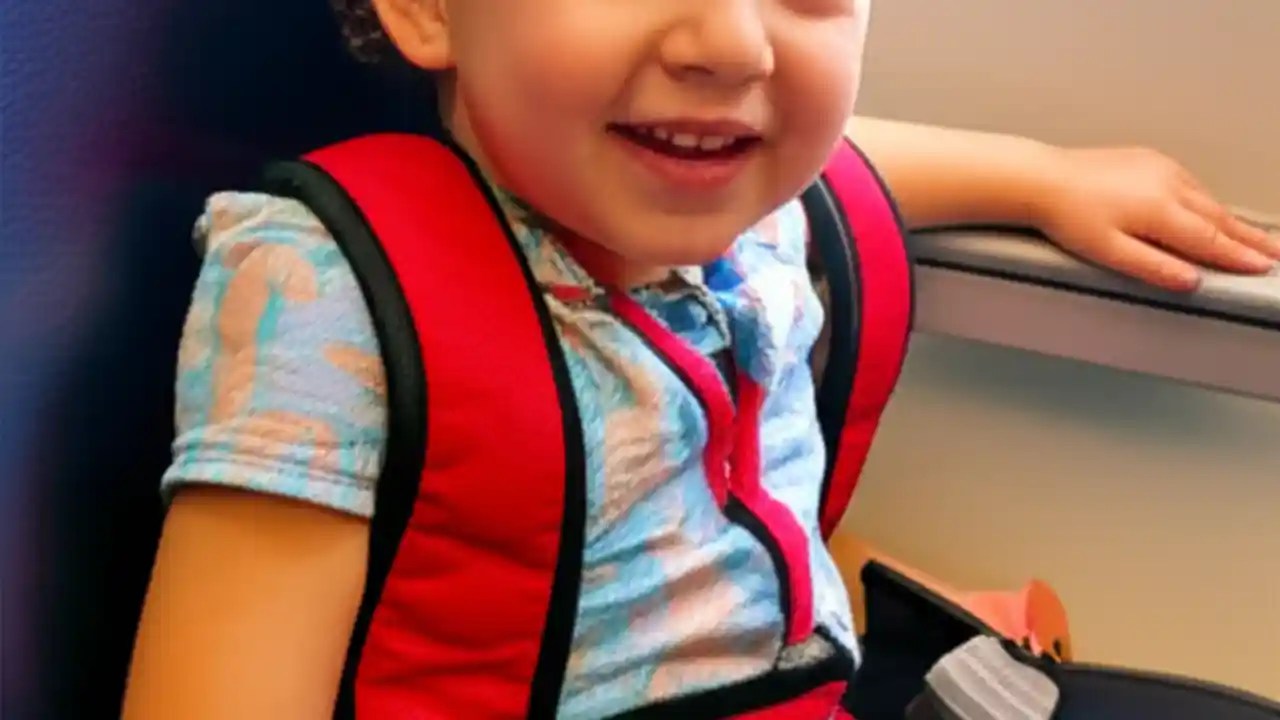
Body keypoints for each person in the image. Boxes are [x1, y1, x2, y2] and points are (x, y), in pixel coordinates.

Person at [121, 0, 1279, 718]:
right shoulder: (329, 295)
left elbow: (839, 154)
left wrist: (1039, 176)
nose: (732, 45)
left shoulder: (737, 193)